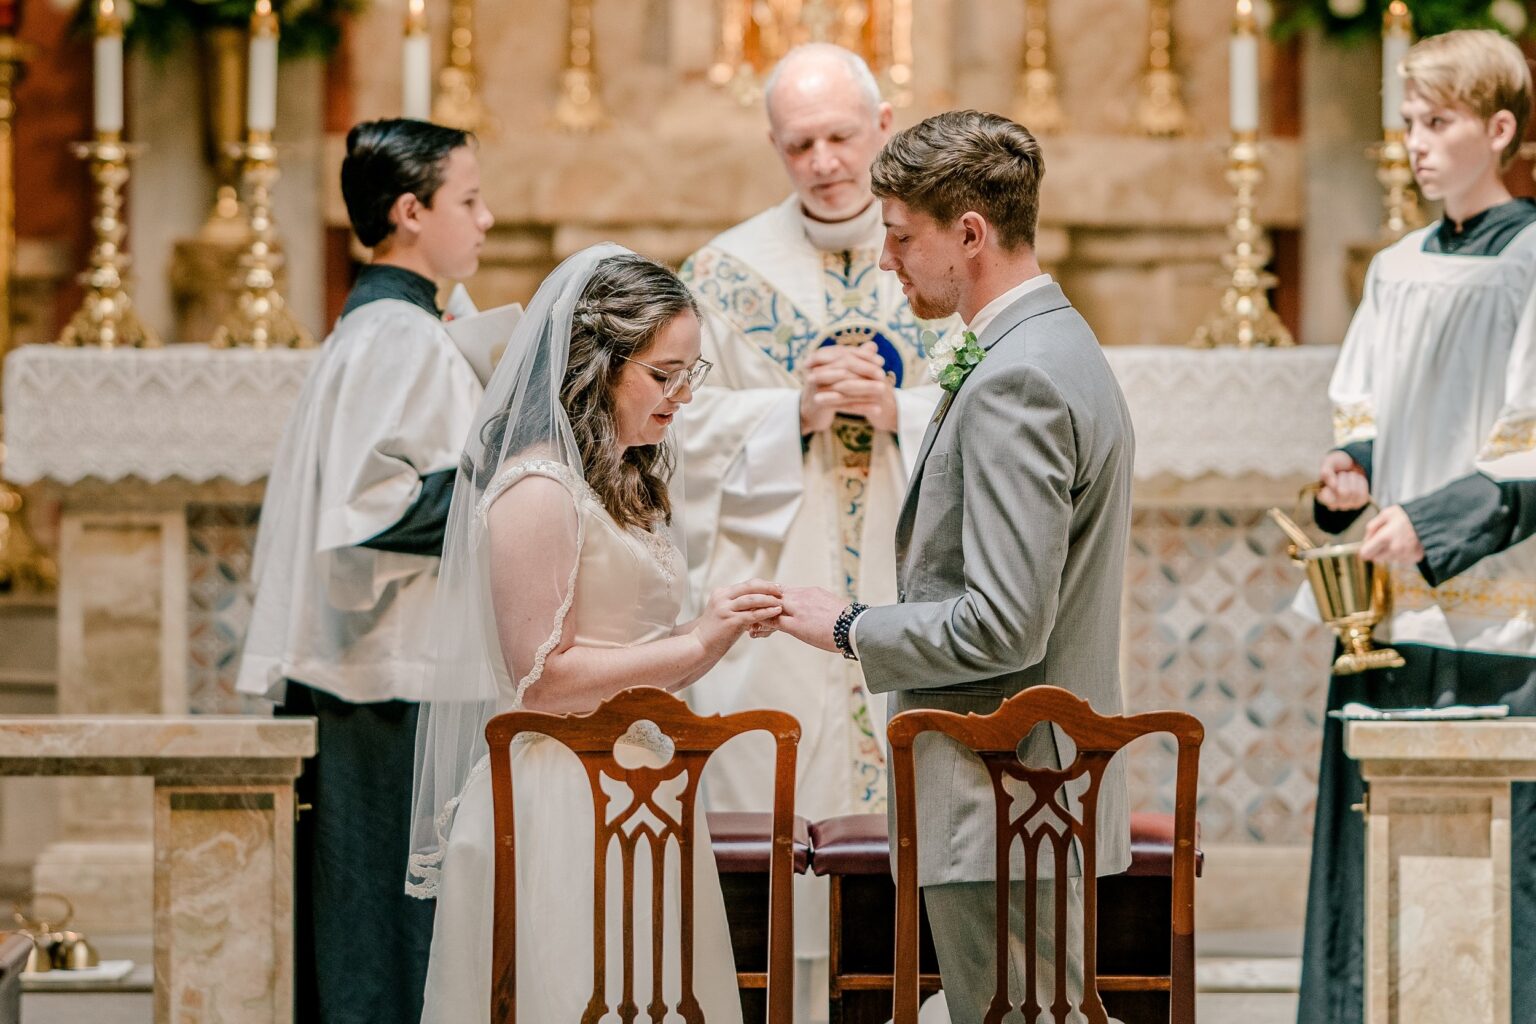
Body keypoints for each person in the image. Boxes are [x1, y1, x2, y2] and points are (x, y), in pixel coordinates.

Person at [769, 110, 1134, 1024]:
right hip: (1025, 795)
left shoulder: (1021, 378)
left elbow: (1007, 624)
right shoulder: (1048, 342)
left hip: (1005, 795)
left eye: (899, 236)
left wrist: (849, 627)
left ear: (970, 233)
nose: (885, 261)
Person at [407, 246, 785, 1022]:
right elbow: (541, 680)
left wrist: (708, 622)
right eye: (663, 373)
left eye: (691, 372)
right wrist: (698, 644)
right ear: (597, 364)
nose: (682, 395)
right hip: (563, 797)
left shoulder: (609, 479)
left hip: (638, 787)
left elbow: (618, 639)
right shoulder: (540, 489)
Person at [677, 43, 949, 1011]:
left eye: (841, 135)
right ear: (773, 146)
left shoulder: (947, 252)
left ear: (884, 124)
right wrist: (783, 414)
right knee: (777, 818)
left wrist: (900, 415)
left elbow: (999, 409)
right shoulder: (721, 273)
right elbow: (671, 431)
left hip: (905, 588)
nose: (825, 160)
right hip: (781, 609)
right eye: (801, 143)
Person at [1299, 30, 1536, 1023]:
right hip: (1393, 613)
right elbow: (1363, 411)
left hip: (1505, 615)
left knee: (1504, 864)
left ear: (1500, 128)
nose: (1416, 145)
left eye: (1438, 124)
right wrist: (1349, 476)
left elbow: (1529, 449)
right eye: (1407, 124)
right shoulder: (1396, 269)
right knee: (1374, 843)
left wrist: (1432, 525)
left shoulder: (1530, 262)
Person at [235, 119, 491, 1024]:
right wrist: (511, 489)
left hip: (371, 672)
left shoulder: (389, 326)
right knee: (387, 933)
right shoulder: (400, 338)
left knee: (371, 924)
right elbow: (371, 509)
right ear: (411, 211)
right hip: (386, 677)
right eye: (468, 199)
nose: (486, 220)